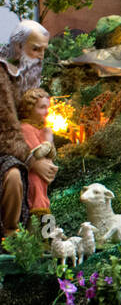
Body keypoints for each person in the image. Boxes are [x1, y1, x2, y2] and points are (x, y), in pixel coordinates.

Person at [1, 21, 56, 239]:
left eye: (43, 50)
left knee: (40, 189)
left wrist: (47, 146)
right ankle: (10, 233)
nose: (40, 56)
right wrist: (33, 161)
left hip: (23, 149)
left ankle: (44, 236)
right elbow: (6, 129)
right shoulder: (2, 74)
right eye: (35, 49)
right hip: (8, 151)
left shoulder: (25, 75)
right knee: (14, 176)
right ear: (17, 47)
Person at [18, 88, 56, 217]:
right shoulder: (26, 128)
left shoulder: (40, 129)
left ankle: (45, 224)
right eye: (42, 107)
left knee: (43, 197)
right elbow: (38, 154)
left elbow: (51, 155)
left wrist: (47, 135)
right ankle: (38, 222)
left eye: (48, 107)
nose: (47, 111)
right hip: (33, 175)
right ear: (29, 109)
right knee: (37, 199)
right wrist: (48, 139)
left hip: (42, 175)